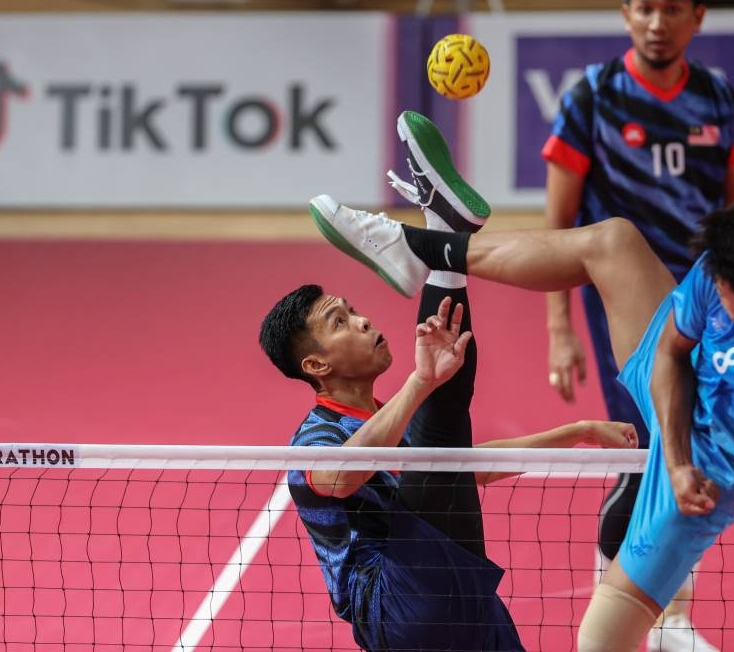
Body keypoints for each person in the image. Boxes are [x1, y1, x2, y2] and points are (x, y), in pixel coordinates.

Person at [307, 113, 734, 652]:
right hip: (673, 402)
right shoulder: (724, 268)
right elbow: (676, 350)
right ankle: (431, 246)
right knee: (615, 242)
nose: (710, 297)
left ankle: (432, 246)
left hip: (692, 494)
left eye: (726, 303)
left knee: (596, 644)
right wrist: (671, 452)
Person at [259, 122, 637, 652]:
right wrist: (420, 381)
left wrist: (576, 431)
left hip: (463, 598)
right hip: (396, 601)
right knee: (440, 411)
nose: (363, 321)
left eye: (354, 310)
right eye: (340, 322)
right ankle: (439, 238)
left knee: (443, 441)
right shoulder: (315, 438)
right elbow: (341, 477)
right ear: (316, 365)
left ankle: (441, 238)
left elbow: (465, 467)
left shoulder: (390, 419)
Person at [543, 0, 734, 647]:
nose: (656, 23)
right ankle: (637, 608)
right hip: (620, 301)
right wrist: (559, 330)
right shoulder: (593, 95)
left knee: (687, 445)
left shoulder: (718, 98)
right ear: (625, 15)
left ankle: (668, 613)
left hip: (703, 302)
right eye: (644, 8)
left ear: (697, 17)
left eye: (671, 9)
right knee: (643, 448)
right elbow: (560, 224)